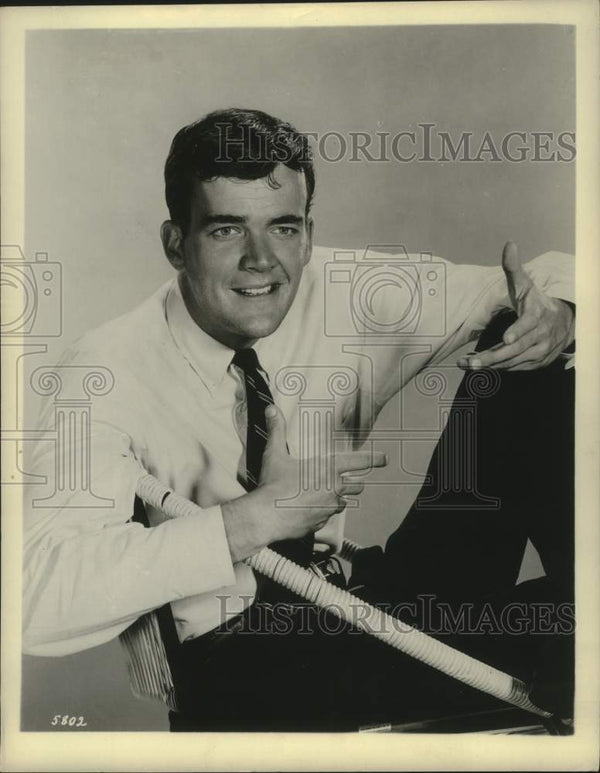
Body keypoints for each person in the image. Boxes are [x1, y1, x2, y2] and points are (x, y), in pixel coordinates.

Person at [23, 108, 575, 732]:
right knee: (570, 643)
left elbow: (546, 281)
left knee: (532, 349)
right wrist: (251, 522)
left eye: (282, 228)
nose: (262, 260)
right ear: (176, 243)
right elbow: (34, 596)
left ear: (308, 235)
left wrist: (561, 316)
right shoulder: (104, 372)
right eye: (227, 230)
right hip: (243, 660)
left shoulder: (347, 291)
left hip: (361, 601)